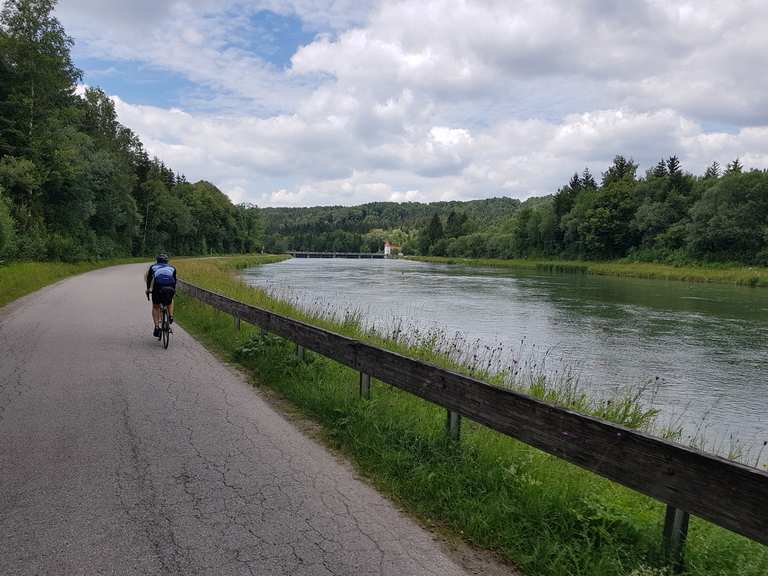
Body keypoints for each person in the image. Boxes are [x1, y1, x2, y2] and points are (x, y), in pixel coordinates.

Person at [145, 254, 177, 338]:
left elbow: (149, 280)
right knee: (170, 300)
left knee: (156, 307)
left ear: (157, 261)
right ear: (167, 261)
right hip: (170, 287)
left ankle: (156, 327)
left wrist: (148, 289)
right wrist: (174, 291)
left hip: (158, 288)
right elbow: (174, 281)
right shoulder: (172, 268)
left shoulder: (153, 267)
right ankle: (170, 316)